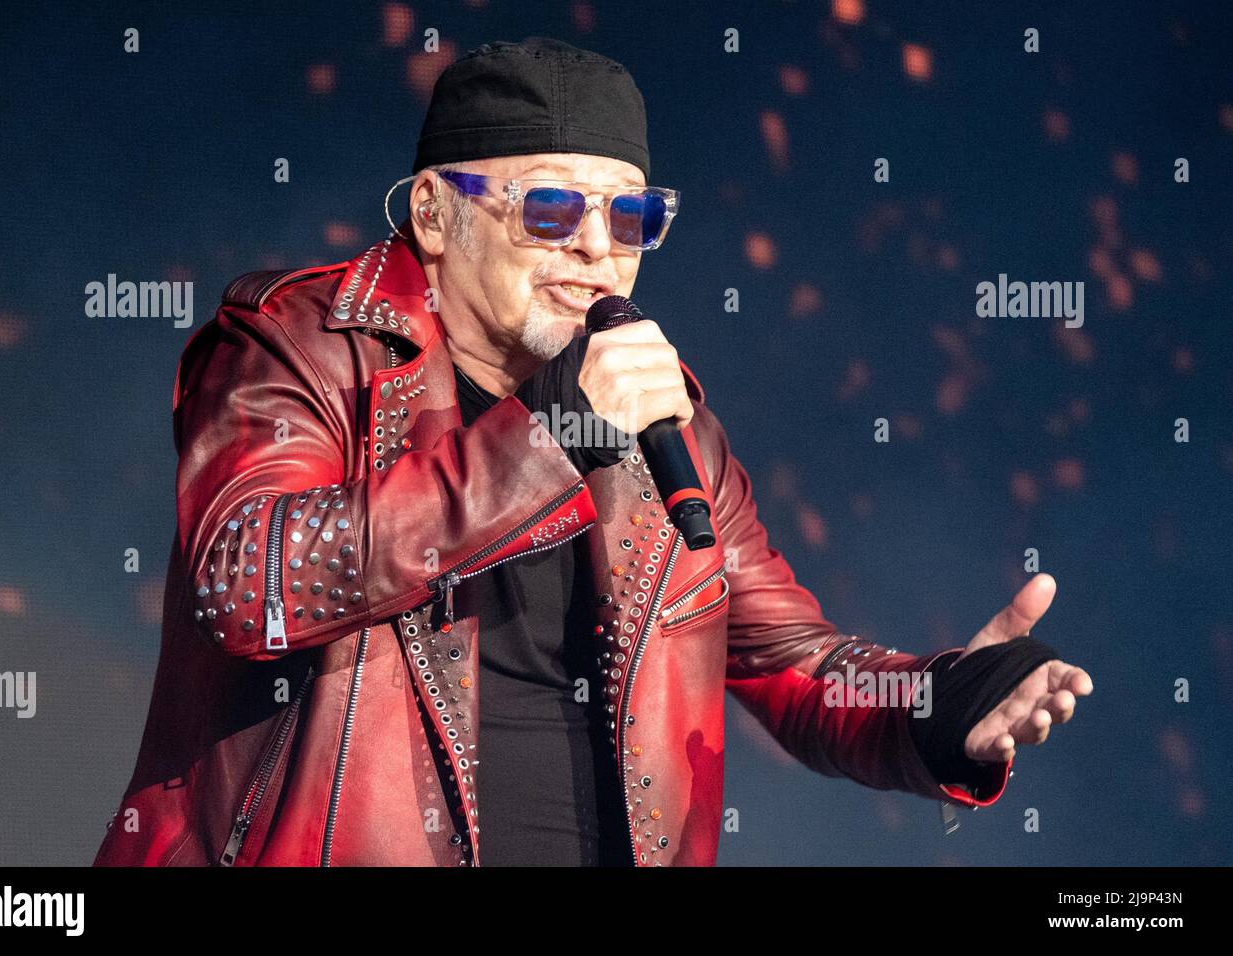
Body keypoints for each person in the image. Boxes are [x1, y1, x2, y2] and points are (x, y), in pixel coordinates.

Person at [94, 36, 1092, 868]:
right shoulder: (299, 340)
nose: (596, 249)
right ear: (434, 213)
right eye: (551, 210)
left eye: (631, 215)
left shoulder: (665, 420)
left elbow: (795, 663)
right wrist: (545, 441)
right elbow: (248, 579)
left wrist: (931, 704)